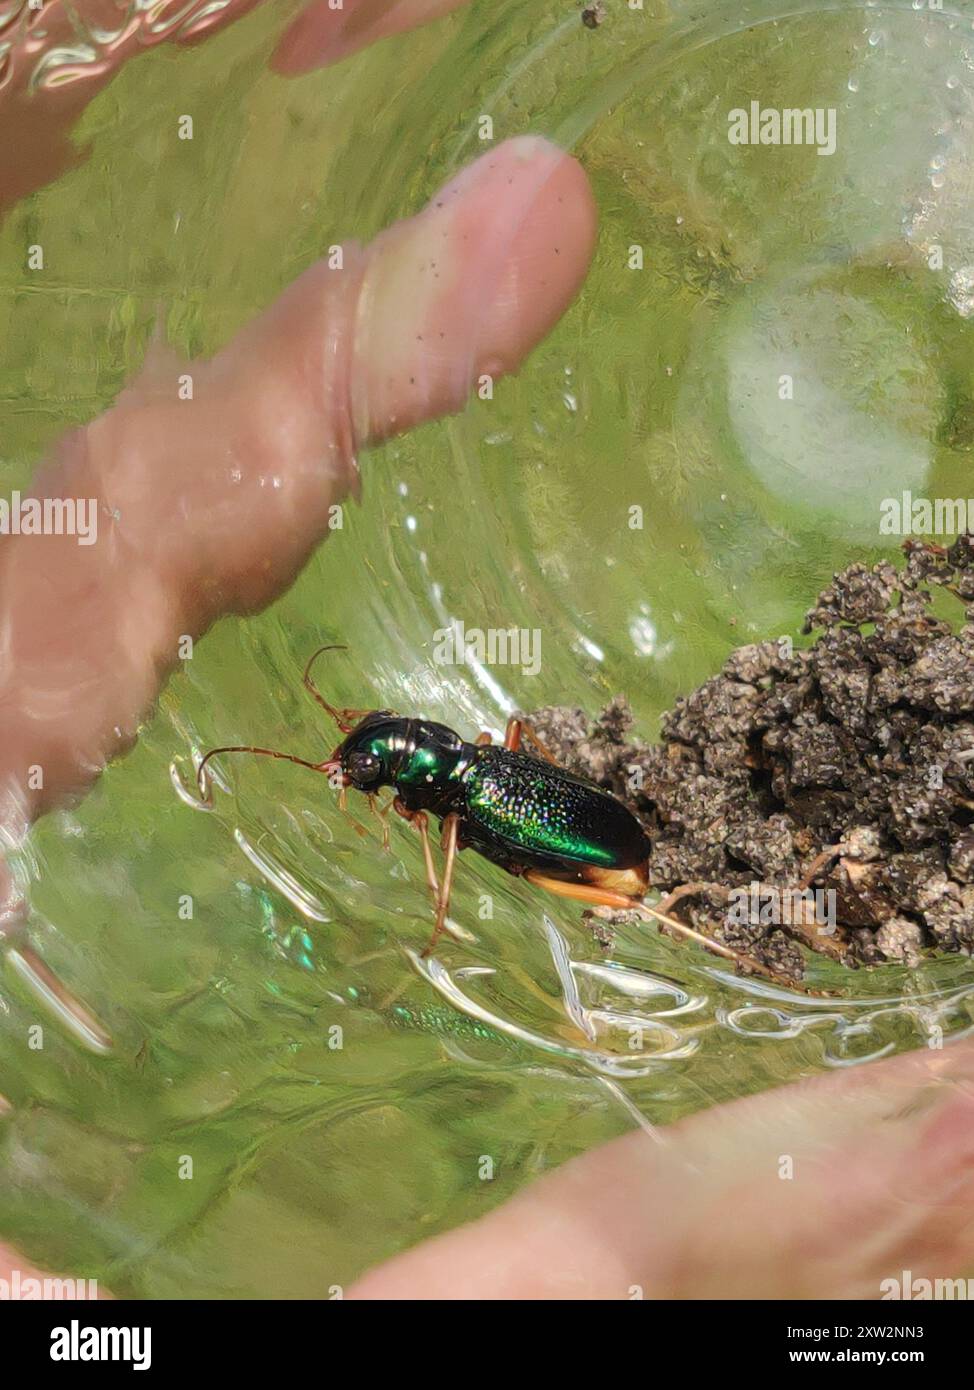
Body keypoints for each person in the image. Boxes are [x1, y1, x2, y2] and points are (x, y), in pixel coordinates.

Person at [1, 0, 972, 1301]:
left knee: (575, 854)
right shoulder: (452, 770)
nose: (379, 776)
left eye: (373, 764)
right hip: (595, 833)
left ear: (416, 769)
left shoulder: (448, 801)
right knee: (578, 847)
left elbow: (471, 840)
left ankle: (670, 907)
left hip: (601, 846)